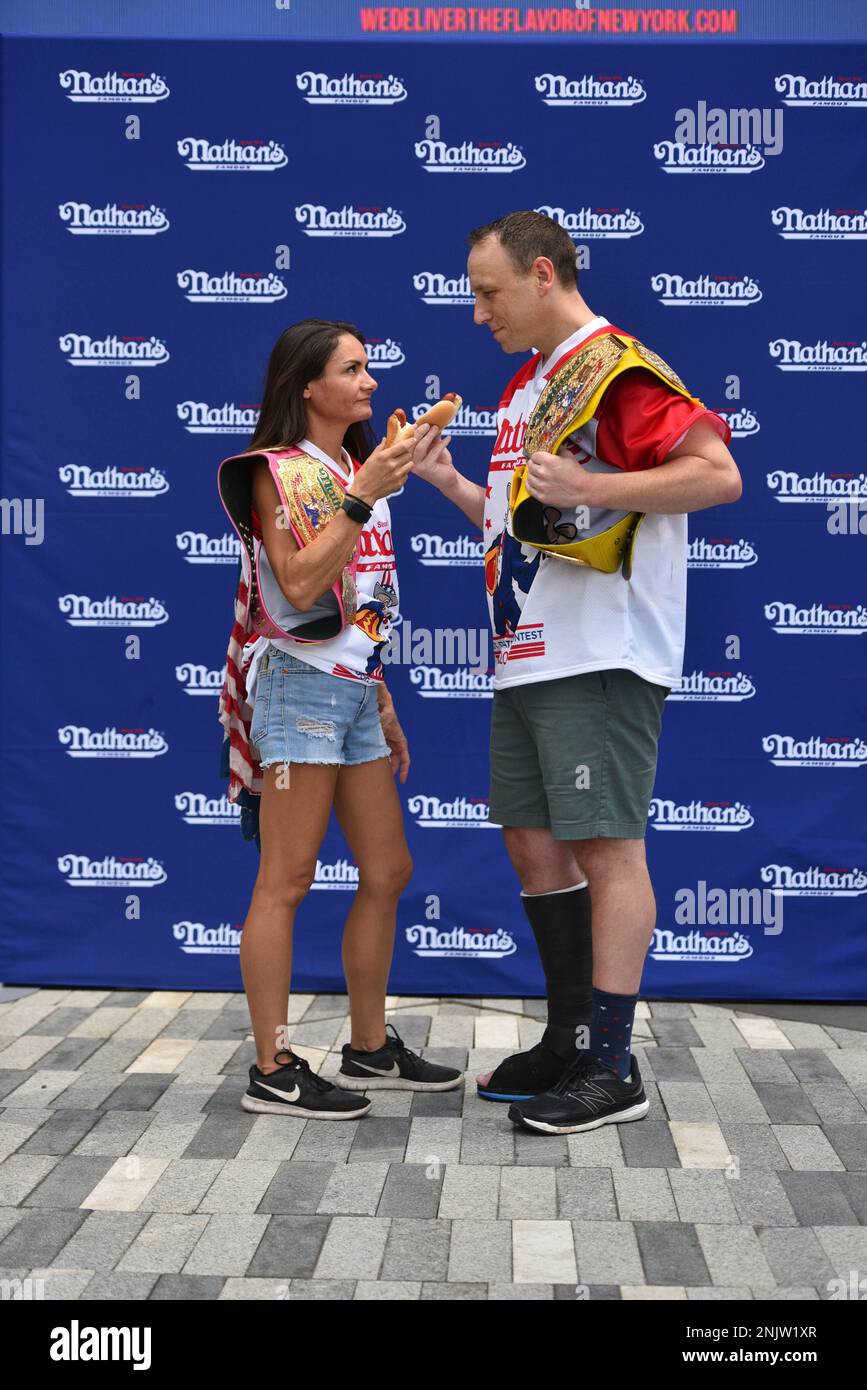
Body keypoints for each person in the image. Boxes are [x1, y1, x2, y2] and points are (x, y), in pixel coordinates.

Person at [410, 212, 741, 1134]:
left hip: (600, 650)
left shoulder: (615, 367)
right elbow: (524, 524)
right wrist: (448, 483)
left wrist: (594, 486)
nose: (477, 313)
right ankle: (567, 1036)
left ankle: (612, 1066)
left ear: (542, 273)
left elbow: (716, 476)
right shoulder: (529, 385)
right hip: (525, 649)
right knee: (529, 838)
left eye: (489, 292)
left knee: (605, 848)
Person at [217, 319, 463, 1120]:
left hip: (353, 688)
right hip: (295, 685)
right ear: (307, 386)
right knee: (285, 880)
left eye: (369, 368)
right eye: (353, 370)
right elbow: (294, 581)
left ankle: (366, 1047)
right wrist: (362, 497)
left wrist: (381, 695)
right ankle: (272, 1066)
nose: (369, 383)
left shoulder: (359, 467)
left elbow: (364, 597)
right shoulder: (277, 471)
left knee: (388, 872)